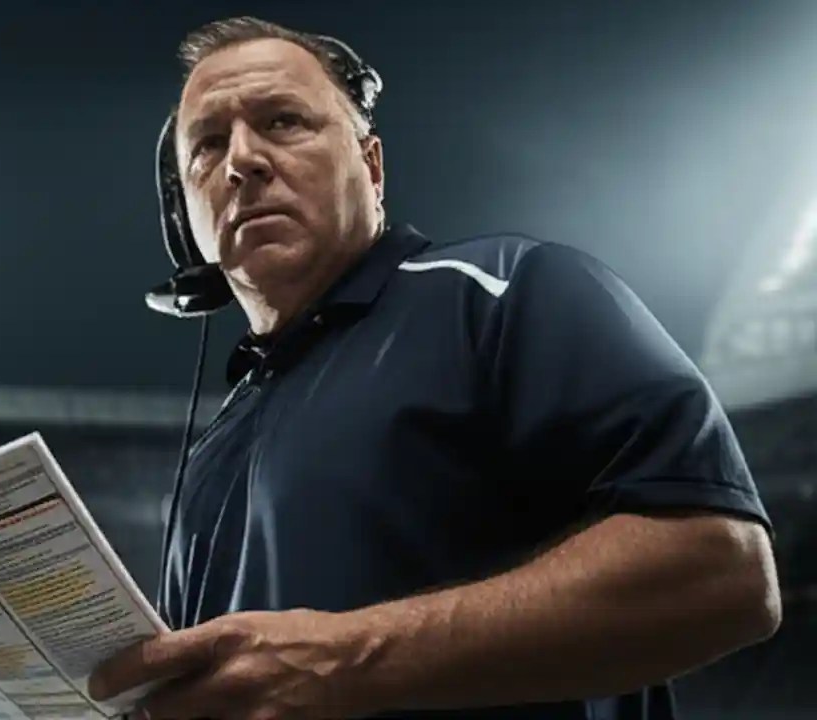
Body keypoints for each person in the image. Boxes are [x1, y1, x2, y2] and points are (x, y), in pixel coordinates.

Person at [88, 16, 781, 720]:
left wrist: (345, 660)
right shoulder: (211, 452)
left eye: (283, 121)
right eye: (208, 144)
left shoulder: (506, 293)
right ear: (186, 216)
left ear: (372, 165)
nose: (243, 160)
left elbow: (722, 572)